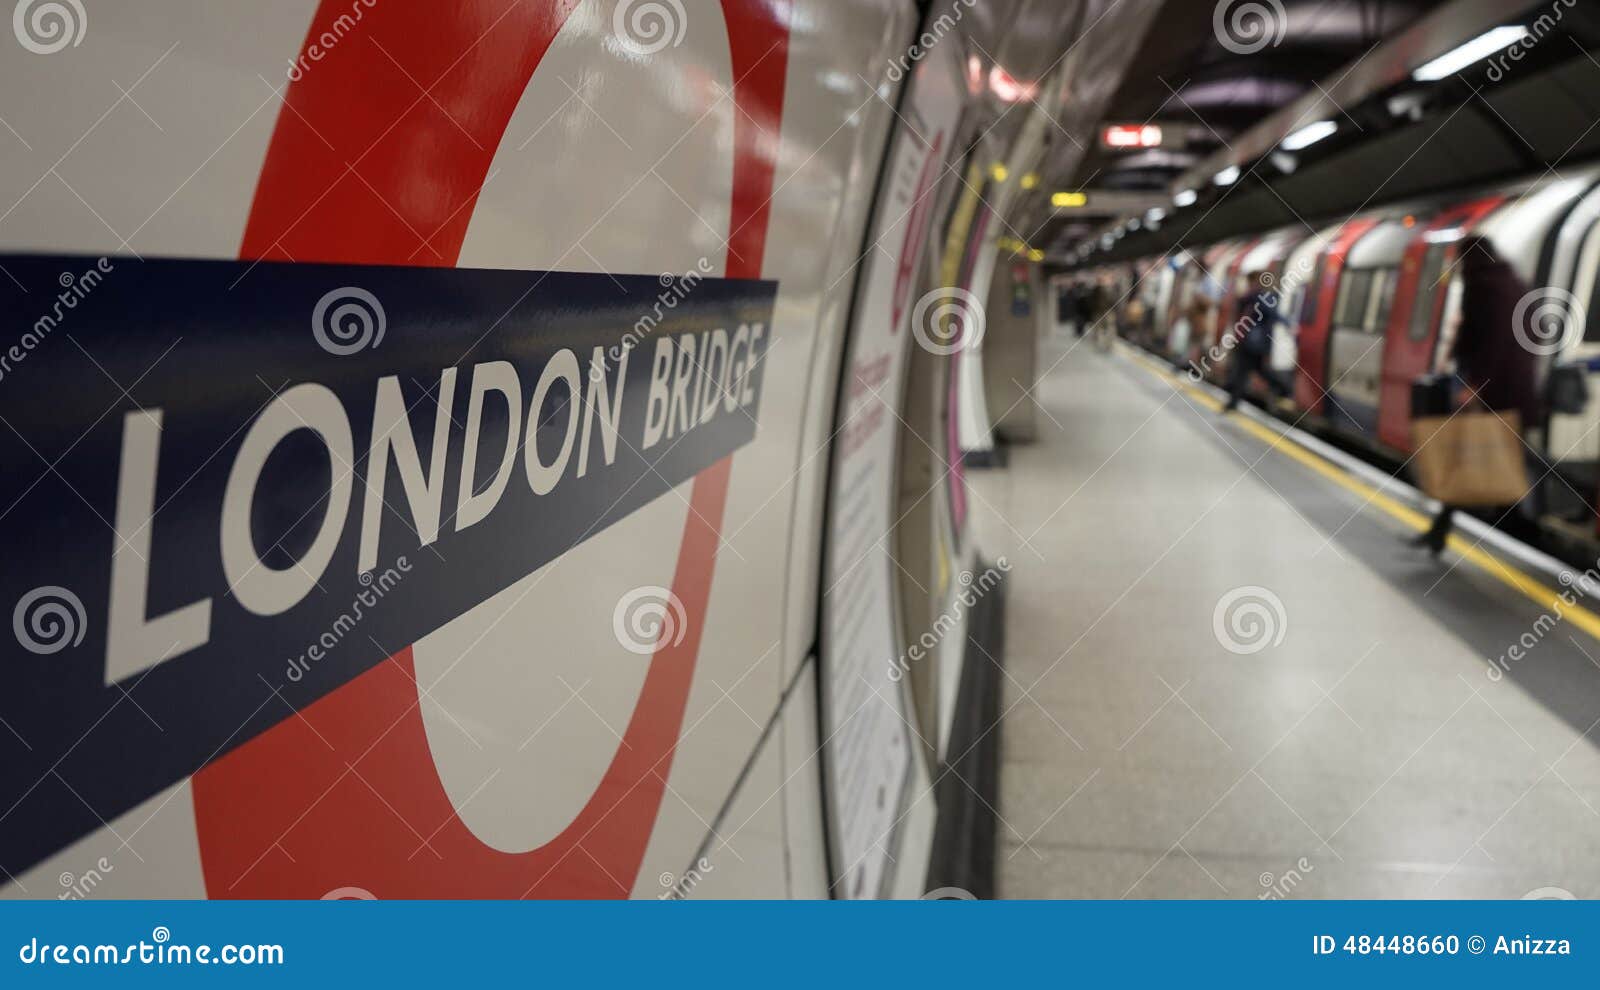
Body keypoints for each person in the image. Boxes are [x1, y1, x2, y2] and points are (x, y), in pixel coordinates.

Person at [1410, 235, 1540, 555]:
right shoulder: (1510, 281)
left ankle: (1526, 532)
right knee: (1479, 453)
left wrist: (1476, 385)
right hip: (1514, 388)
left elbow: (1491, 340)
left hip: (1495, 391)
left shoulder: (1482, 285)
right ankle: (1443, 530)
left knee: (1473, 452)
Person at [1221, 271, 1291, 412]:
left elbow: (1273, 314)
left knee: (1246, 371)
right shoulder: (1253, 297)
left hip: (1253, 343)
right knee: (1252, 370)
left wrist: (1288, 324)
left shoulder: (1258, 297)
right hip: (1250, 342)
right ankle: (1281, 389)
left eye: (1251, 281)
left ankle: (1283, 388)